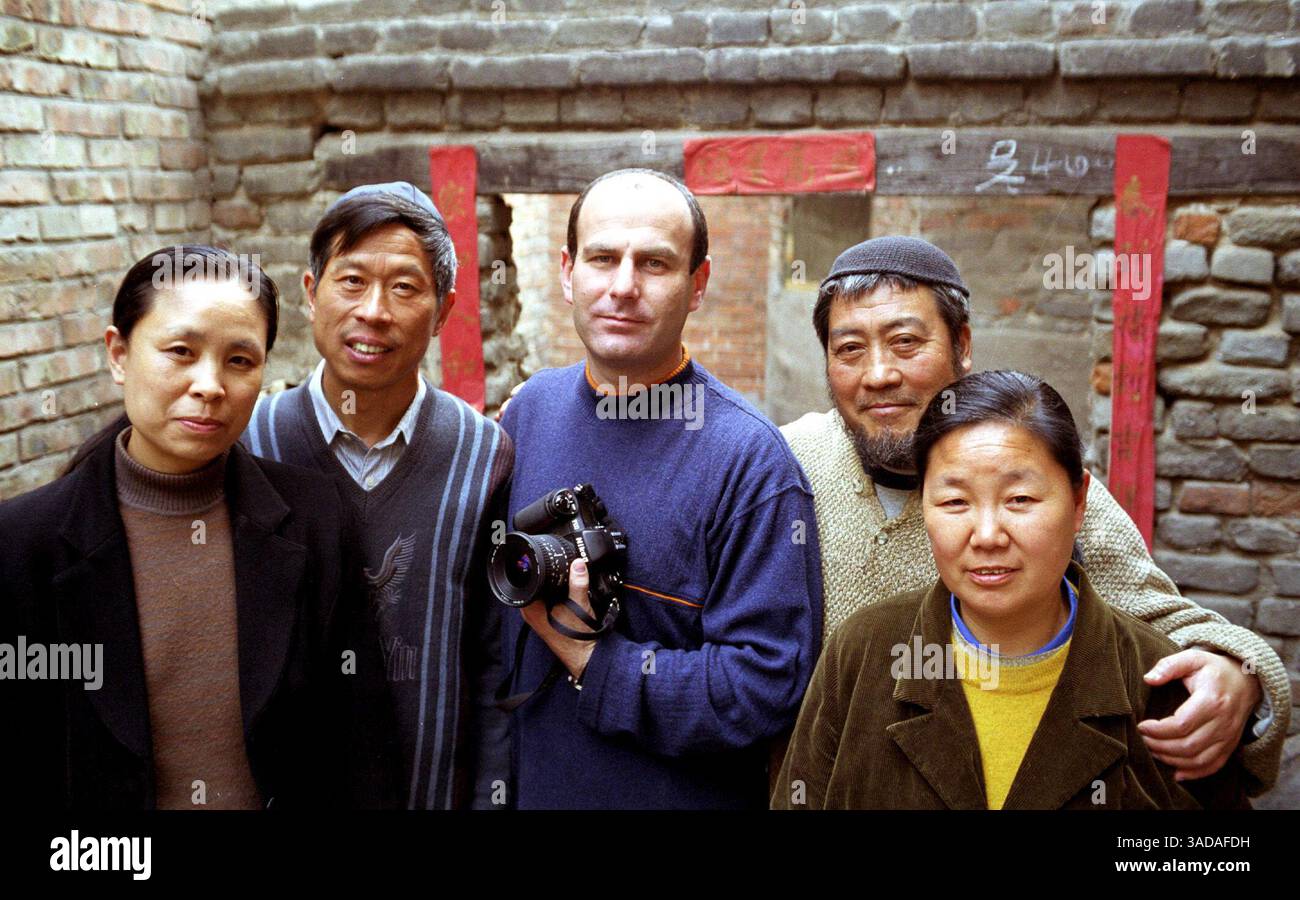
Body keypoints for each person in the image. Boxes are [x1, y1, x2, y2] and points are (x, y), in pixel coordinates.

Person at [780, 236, 1289, 793]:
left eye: (906, 342)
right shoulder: (785, 465)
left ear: (962, 344)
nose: (878, 374)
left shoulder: (1045, 488)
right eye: (849, 348)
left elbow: (1163, 624)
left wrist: (1238, 677)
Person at [0, 245, 393, 809]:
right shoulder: (24, 545)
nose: (210, 385)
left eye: (240, 361)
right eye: (180, 351)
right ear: (118, 354)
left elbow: (359, 732)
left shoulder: (314, 518)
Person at [774, 370, 1250, 809]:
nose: (987, 535)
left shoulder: (1160, 690)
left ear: (1079, 501)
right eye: (955, 501)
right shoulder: (863, 654)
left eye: (1019, 500)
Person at [497, 168, 822, 809]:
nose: (623, 287)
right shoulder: (530, 411)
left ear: (697, 284)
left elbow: (769, 684)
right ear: (567, 272)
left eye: (654, 263)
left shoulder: (748, 461)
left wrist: (597, 662)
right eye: (601, 259)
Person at [241, 182, 513, 810]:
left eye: (405, 287)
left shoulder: (482, 456)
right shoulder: (252, 443)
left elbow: (495, 667)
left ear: (444, 311)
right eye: (352, 281)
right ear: (312, 295)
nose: (374, 311)